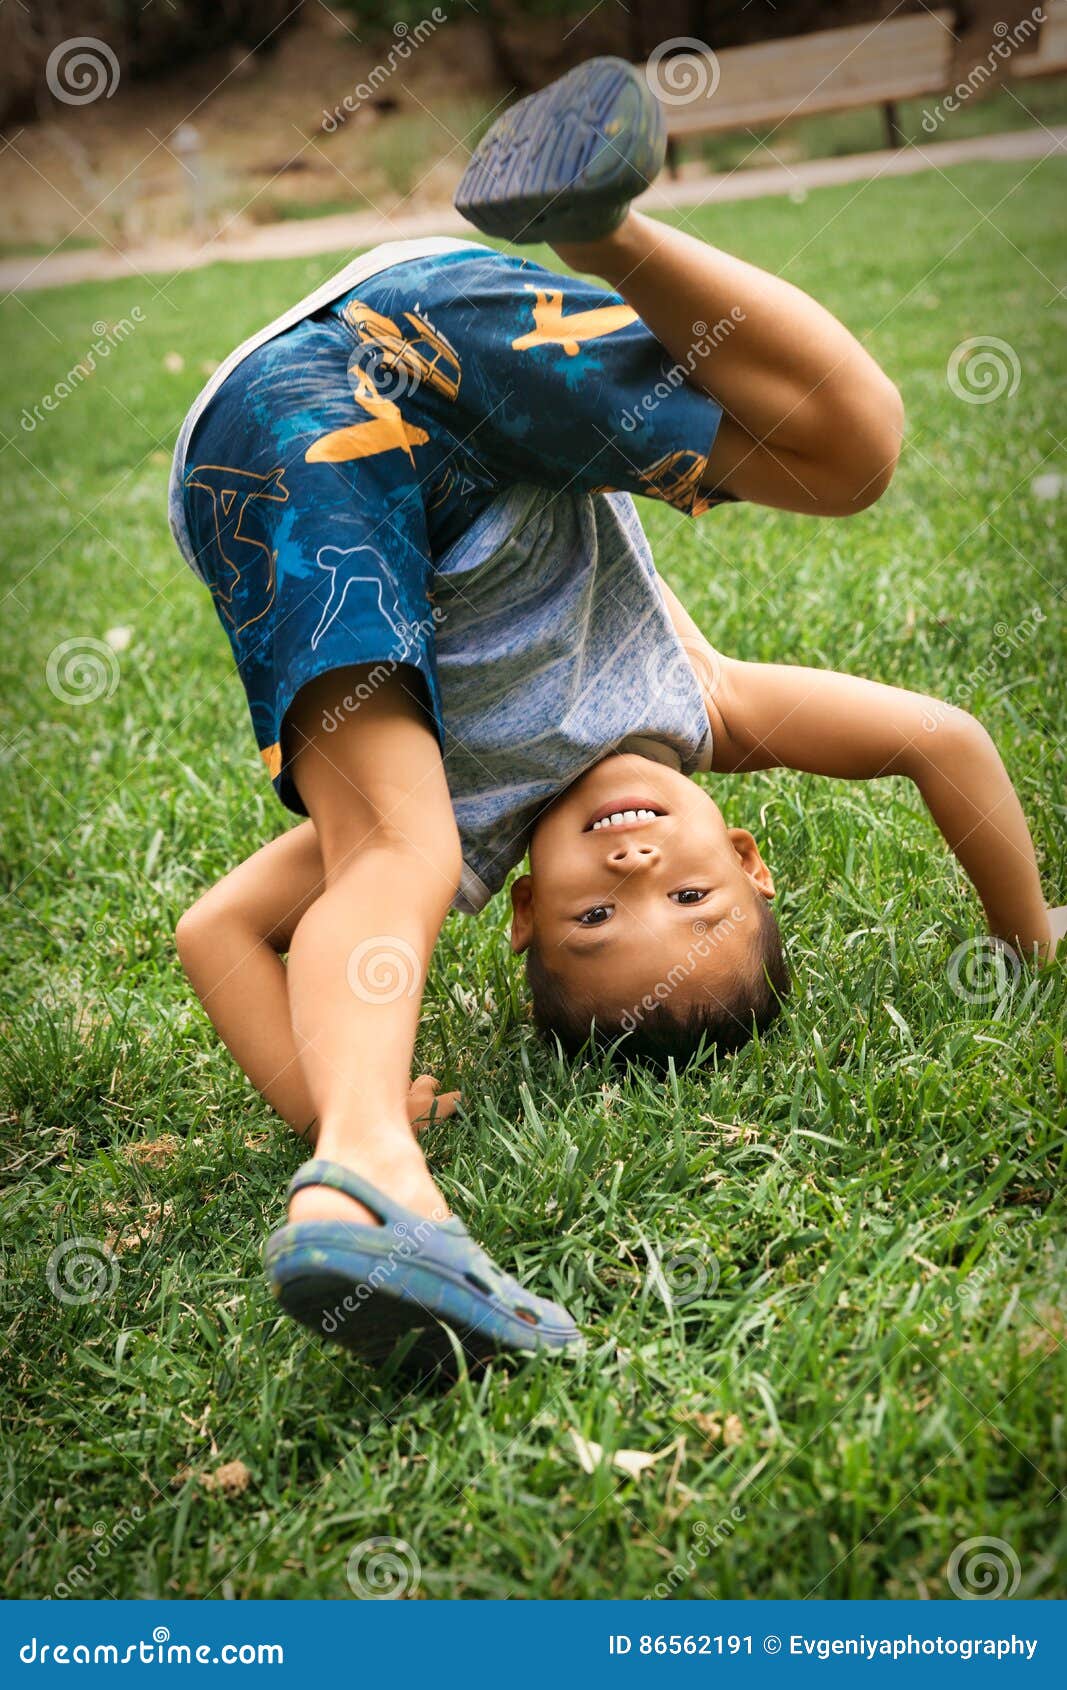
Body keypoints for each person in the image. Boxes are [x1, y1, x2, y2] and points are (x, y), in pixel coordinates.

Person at [169, 58, 1059, 1370]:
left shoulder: (468, 834)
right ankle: (602, 226)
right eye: (692, 898)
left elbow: (218, 931)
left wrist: (329, 1091)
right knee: (853, 450)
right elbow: (941, 741)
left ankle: (356, 1159)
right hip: (452, 354)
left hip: (283, 442)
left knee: (394, 849)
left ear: (525, 912)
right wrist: (1026, 930)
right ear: (747, 854)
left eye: (595, 920)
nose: (639, 871)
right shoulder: (708, 707)